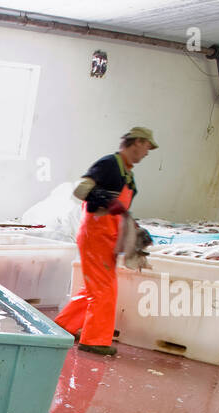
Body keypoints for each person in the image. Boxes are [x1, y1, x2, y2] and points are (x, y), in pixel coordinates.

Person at [55, 126, 158, 356]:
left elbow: (121, 208)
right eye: (147, 146)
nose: (148, 152)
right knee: (105, 289)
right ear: (136, 142)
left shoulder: (128, 173)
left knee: (96, 286)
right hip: (96, 234)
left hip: (109, 237)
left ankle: (64, 326)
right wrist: (105, 201)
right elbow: (81, 190)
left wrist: (133, 228)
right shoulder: (110, 164)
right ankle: (95, 340)